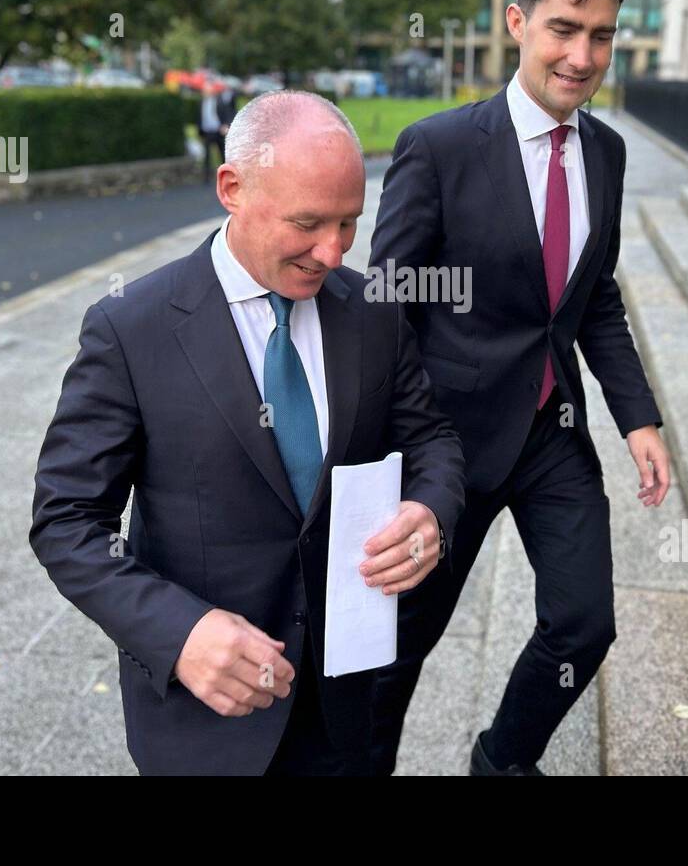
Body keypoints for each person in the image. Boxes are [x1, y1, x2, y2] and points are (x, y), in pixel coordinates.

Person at [31, 90, 464, 776]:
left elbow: (433, 439)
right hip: (204, 722)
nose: (332, 250)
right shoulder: (129, 327)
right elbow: (66, 521)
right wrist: (180, 633)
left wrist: (430, 512)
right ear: (232, 188)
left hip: (343, 708)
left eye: (350, 223)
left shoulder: (372, 313)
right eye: (308, 222)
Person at [367, 0, 672, 776]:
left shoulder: (605, 153)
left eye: (602, 35)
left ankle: (502, 762)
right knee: (397, 648)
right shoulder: (440, 146)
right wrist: (399, 450)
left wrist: (637, 416)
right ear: (518, 21)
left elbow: (593, 296)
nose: (582, 55)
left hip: (551, 431)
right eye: (564, 28)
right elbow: (387, 299)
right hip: (446, 444)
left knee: (584, 622)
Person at [199, 79, 237, 172]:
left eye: (206, 88)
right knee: (207, 155)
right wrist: (200, 130)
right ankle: (206, 175)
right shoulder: (201, 102)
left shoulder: (219, 100)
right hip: (207, 131)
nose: (204, 90)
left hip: (218, 130)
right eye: (204, 89)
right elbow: (200, 117)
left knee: (222, 153)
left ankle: (226, 172)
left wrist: (225, 125)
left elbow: (227, 113)